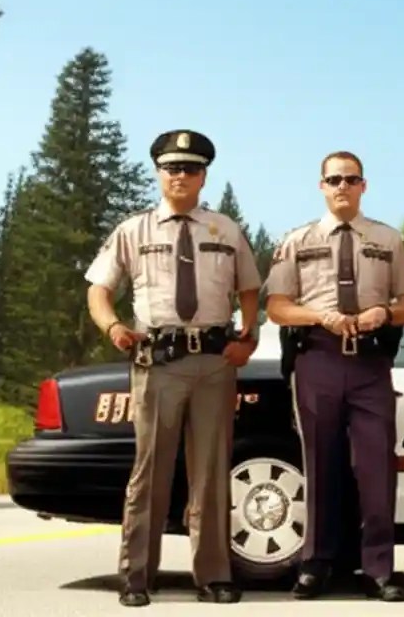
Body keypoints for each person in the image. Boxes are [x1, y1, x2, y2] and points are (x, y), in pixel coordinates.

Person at [85, 129, 262, 607]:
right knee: (151, 471)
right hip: (158, 362)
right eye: (171, 168)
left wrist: (249, 334)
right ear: (159, 173)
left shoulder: (225, 229)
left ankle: (214, 575)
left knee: (211, 473)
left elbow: (249, 286)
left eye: (189, 168)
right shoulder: (134, 229)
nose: (180, 176)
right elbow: (99, 289)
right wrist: (113, 326)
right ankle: (138, 576)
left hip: (213, 361)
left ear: (204, 175)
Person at [263, 150, 404, 601]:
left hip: (370, 362)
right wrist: (318, 317)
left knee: (376, 467)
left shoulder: (388, 240)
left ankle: (379, 569)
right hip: (319, 357)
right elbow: (277, 306)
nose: (342, 187)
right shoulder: (298, 240)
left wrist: (382, 312)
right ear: (321, 186)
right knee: (320, 462)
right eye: (334, 180)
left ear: (364, 186)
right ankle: (316, 564)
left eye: (351, 180)